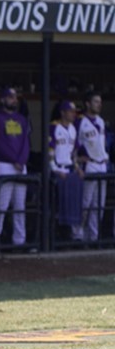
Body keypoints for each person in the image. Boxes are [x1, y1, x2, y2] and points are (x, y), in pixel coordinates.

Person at [0, 87, 31, 252]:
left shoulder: (22, 119)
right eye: (11, 97)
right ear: (3, 99)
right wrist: (14, 159)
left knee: (19, 206)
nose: (14, 100)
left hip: (20, 166)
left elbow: (26, 142)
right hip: (3, 164)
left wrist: (21, 160)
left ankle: (19, 241)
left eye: (15, 97)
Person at [75, 92, 109, 242]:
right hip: (89, 165)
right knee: (85, 204)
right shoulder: (80, 121)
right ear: (87, 104)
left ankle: (92, 237)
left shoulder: (101, 121)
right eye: (96, 101)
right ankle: (78, 236)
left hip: (102, 165)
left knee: (98, 205)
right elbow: (73, 144)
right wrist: (76, 159)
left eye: (100, 101)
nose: (99, 104)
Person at [48, 101, 84, 238]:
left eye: (74, 111)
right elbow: (49, 150)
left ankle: (73, 236)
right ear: (62, 112)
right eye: (70, 111)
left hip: (69, 170)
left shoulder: (73, 128)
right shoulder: (54, 126)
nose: (73, 114)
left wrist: (77, 168)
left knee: (73, 204)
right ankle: (57, 237)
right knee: (58, 206)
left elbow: (73, 153)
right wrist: (55, 169)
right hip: (58, 170)